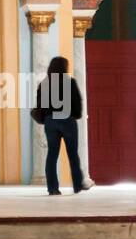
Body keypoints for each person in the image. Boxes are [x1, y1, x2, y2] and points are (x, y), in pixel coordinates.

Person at [31, 56, 93, 196]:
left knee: (52, 154)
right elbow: (77, 102)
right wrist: (75, 115)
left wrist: (48, 117)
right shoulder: (69, 82)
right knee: (72, 154)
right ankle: (77, 185)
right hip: (67, 120)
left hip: (50, 121)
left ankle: (52, 188)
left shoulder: (44, 84)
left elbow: (41, 105)